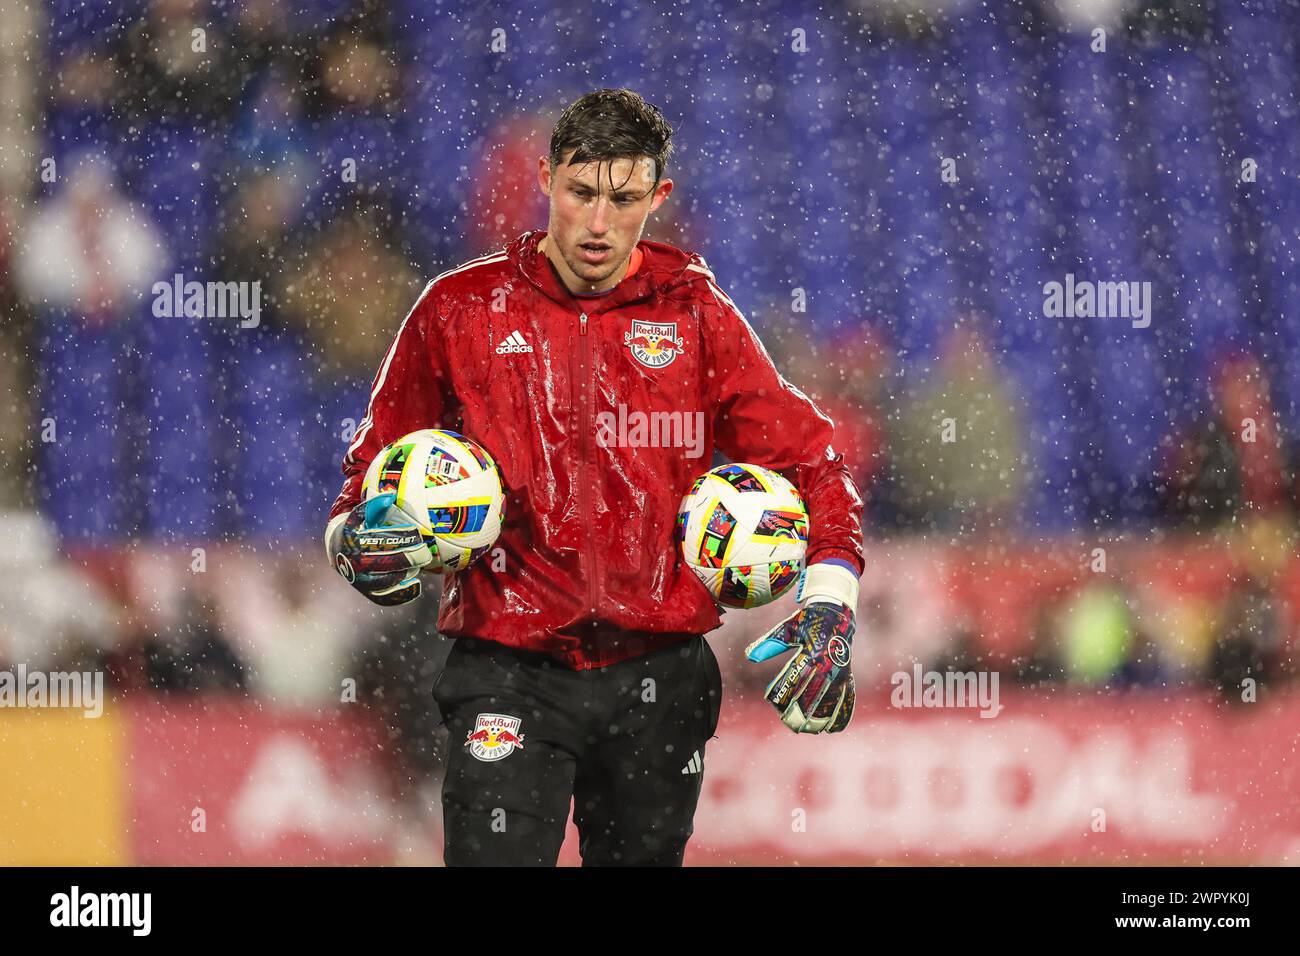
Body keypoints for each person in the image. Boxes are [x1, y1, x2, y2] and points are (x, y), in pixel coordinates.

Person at [324, 89, 865, 866]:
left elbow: (815, 464)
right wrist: (360, 547)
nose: (600, 223)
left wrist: (830, 603)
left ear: (659, 197)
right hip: (507, 671)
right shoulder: (457, 310)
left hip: (660, 675)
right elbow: (360, 491)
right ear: (545, 180)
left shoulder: (697, 318)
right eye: (581, 193)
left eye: (625, 198)